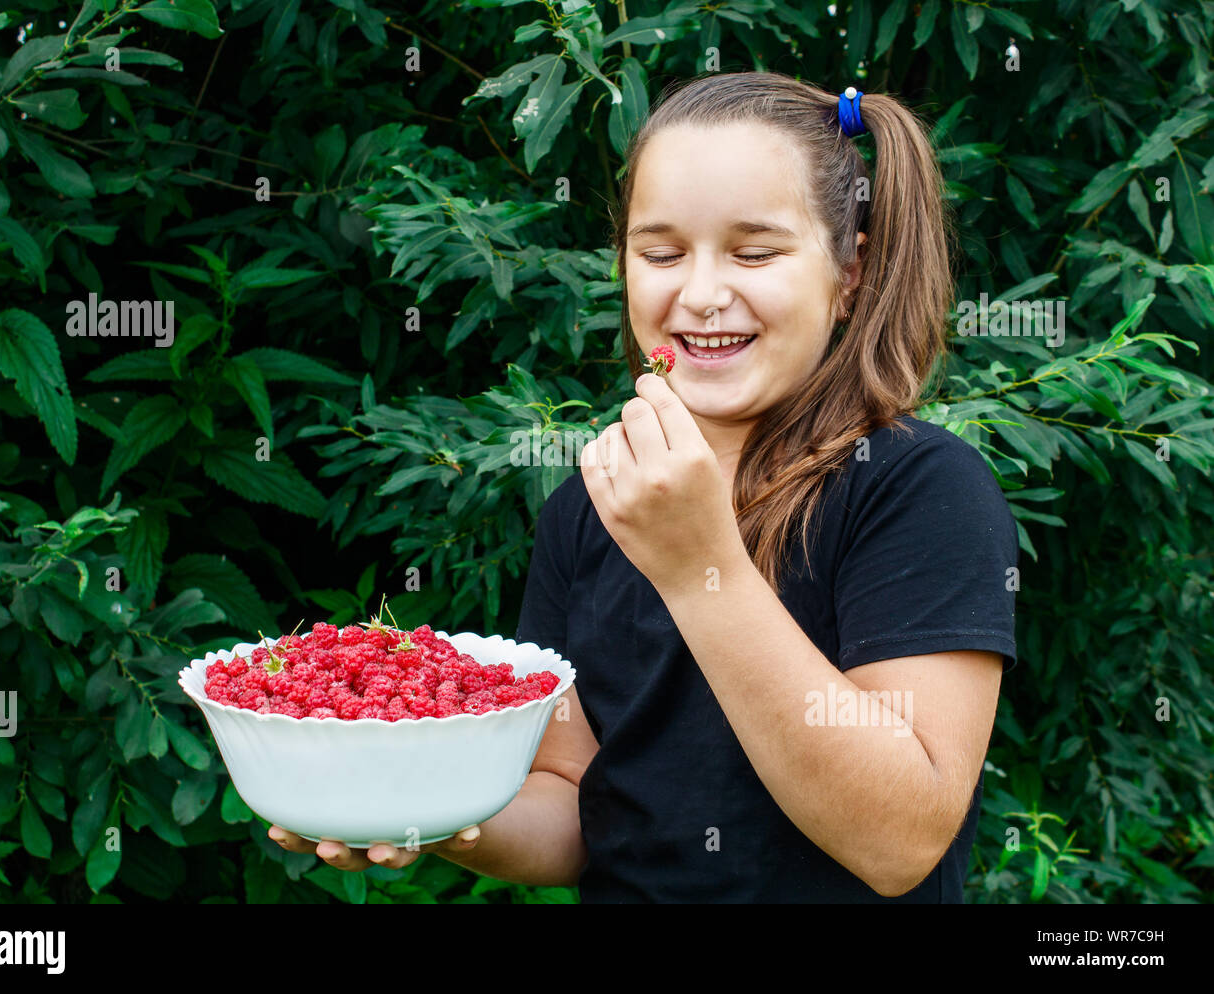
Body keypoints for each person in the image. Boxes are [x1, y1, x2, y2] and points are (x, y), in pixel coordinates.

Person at [271, 71, 1017, 902]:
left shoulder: (918, 487)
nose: (699, 295)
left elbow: (900, 838)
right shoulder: (591, 506)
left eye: (755, 251)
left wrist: (702, 567)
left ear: (850, 272)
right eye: (661, 253)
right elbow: (573, 809)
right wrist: (425, 811)